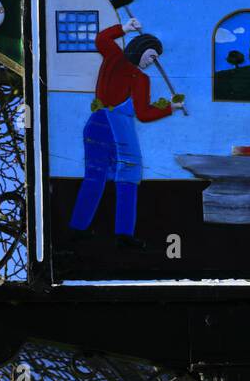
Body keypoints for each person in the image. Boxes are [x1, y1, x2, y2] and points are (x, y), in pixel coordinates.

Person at [70, 17, 182, 248]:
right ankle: (123, 234)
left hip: (95, 124)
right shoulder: (139, 78)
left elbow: (102, 39)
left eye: (157, 58)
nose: (153, 61)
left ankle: (78, 228)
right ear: (140, 50)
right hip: (117, 129)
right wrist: (171, 108)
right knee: (128, 177)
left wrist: (123, 29)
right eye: (152, 55)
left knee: (95, 177)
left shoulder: (114, 58)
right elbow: (143, 114)